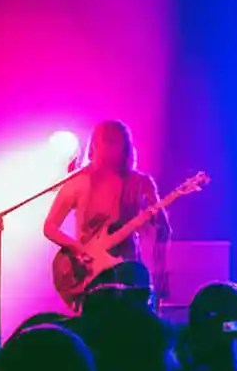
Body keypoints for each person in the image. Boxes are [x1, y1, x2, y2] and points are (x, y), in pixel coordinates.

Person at [44, 120, 171, 311]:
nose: (110, 147)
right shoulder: (78, 182)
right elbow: (49, 227)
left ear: (126, 147)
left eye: (116, 142)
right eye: (106, 141)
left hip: (127, 269)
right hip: (90, 271)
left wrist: (157, 217)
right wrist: (77, 248)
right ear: (94, 145)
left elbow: (162, 229)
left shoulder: (140, 182)